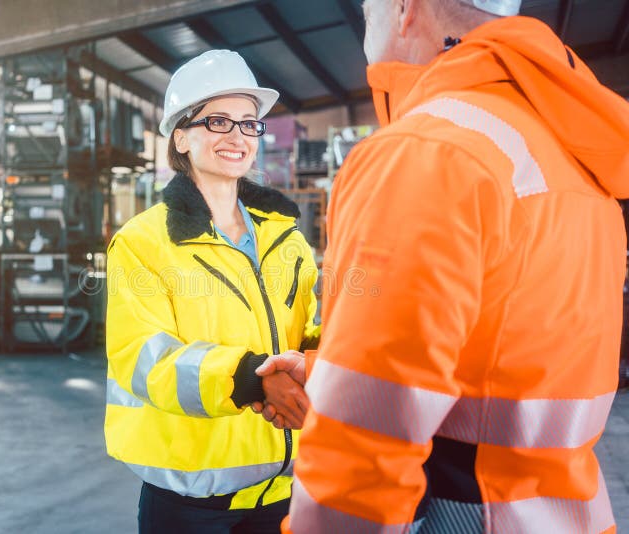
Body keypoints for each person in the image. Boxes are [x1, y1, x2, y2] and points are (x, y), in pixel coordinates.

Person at [261, 0, 629, 532]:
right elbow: (504, 366)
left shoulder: (426, 150)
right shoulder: (570, 162)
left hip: (463, 516)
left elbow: (361, 449)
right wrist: (327, 374)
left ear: (405, 9)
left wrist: (347, 390)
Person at [103, 49, 319, 534]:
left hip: (286, 490)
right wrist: (253, 379)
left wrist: (316, 362)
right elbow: (145, 358)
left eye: (248, 123)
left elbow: (318, 323)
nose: (237, 136)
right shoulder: (142, 242)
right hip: (192, 500)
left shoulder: (286, 236)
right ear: (181, 134)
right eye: (218, 120)